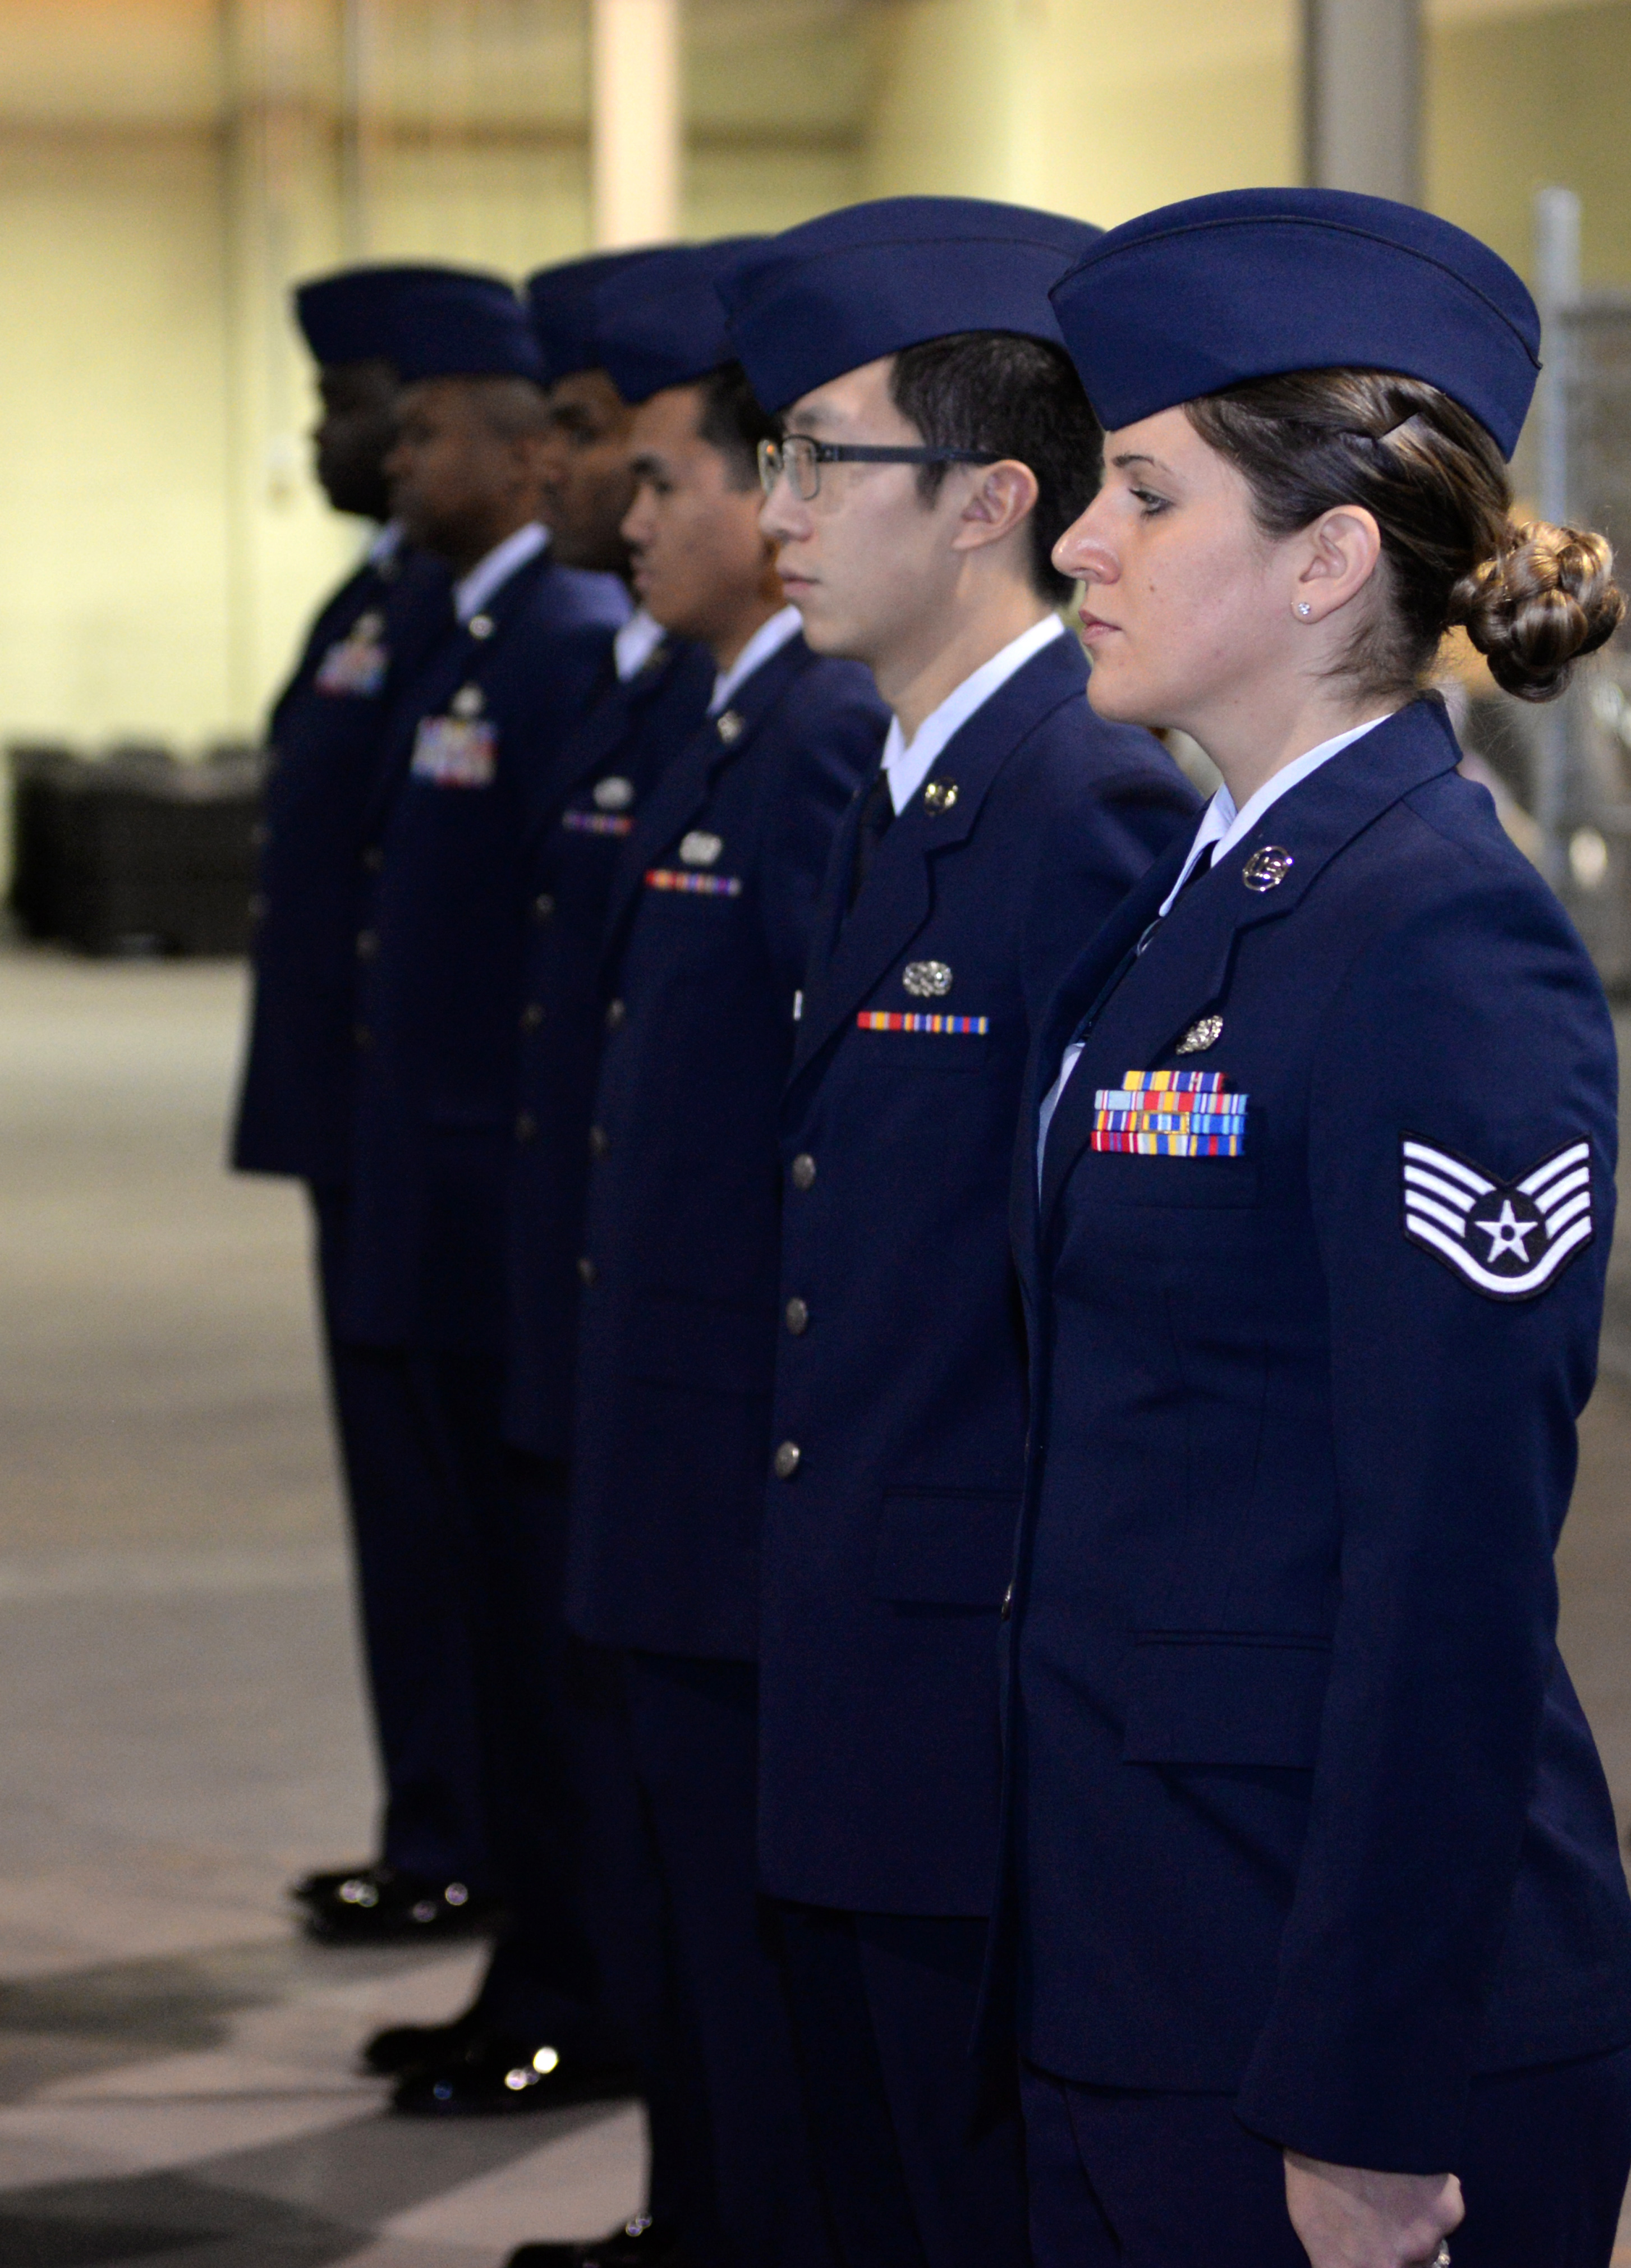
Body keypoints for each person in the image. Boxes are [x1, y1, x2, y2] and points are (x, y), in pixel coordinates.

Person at [1004, 187, 1631, 2267]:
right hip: (1151, 1947)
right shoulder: (1224, 888)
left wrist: (1367, 2091)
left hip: (1336, 2032)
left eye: (1143, 493)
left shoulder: (1436, 938)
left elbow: (1449, 1572)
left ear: (1327, 556)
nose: (1080, 541)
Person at [718, 200, 1200, 2268]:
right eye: (775, 458)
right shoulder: (903, 782)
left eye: (826, 456)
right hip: (855, 1652)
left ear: (995, 495)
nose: (778, 512)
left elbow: (1090, 1305)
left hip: (967, 1691)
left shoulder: (1078, 800)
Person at [562, 240, 887, 2268]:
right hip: (672, 1441)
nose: (663, 510)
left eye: (675, 471)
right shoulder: (725, 726)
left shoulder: (818, 751)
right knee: (690, 1904)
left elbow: (832, 1167)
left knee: (760, 1957)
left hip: (741, 1454)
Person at [383, 249, 715, 2145]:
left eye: (623, 444)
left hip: (655, 1327)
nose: (610, 489)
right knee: (537, 1655)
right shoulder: (667, 691)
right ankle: (568, 1973)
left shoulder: (765, 727)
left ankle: (590, 1994)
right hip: (548, 1251)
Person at [314, 267, 637, 2114]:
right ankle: (532, 1927)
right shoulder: (445, 621)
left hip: (508, 1211)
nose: (626, 493)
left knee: (531, 1613)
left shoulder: (560, 648)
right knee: (476, 1588)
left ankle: (566, 1960)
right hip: (444, 1188)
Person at [229, 265, 479, 1945]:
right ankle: (434, 1812)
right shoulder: (375, 605)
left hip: (456, 1149)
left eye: (353, 403)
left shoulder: (492, 629)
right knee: (404, 1505)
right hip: (369, 1126)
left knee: (465, 1515)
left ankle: (472, 1828)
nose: (339, 439)